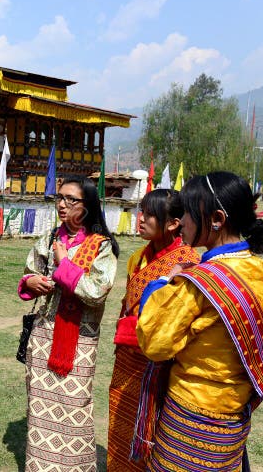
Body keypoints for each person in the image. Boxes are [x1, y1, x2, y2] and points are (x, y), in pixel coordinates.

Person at [136, 172, 263, 471]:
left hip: (189, 421)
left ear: (216, 218)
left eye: (188, 214)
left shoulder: (195, 285)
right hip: (231, 424)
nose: (182, 222)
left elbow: (154, 342)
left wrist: (163, 283)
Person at [17, 177, 119, 472]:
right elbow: (28, 273)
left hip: (79, 342)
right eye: (60, 198)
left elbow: (97, 292)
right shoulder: (49, 238)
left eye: (71, 199)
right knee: (39, 411)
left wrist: (64, 266)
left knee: (75, 409)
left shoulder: (100, 247)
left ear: (87, 206)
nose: (62, 204)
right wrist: (31, 282)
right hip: (43, 336)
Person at [106, 189, 199, 471]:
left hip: (160, 366)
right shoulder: (137, 258)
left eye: (149, 214)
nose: (140, 219)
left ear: (172, 223)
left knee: (152, 433)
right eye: (140, 212)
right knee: (120, 425)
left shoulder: (189, 263)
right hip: (127, 360)